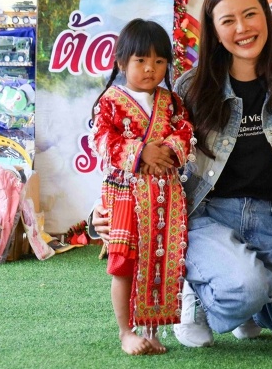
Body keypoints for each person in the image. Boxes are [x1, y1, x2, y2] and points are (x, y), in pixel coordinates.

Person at [97, 0, 272, 357]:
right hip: (205, 219)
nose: (242, 28)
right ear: (215, 32)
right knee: (246, 285)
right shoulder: (188, 89)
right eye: (228, 20)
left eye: (250, 15)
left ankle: (257, 299)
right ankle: (204, 291)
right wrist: (99, 212)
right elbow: (126, 149)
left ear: (265, 17)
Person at [89, 19, 194, 355]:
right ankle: (126, 332)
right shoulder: (110, 101)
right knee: (124, 263)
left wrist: (167, 151)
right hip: (126, 196)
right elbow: (102, 139)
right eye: (141, 60)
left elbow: (186, 133)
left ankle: (152, 331)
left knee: (161, 261)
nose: (151, 69)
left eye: (159, 61)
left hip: (165, 196)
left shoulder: (172, 102)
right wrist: (140, 152)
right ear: (122, 62)